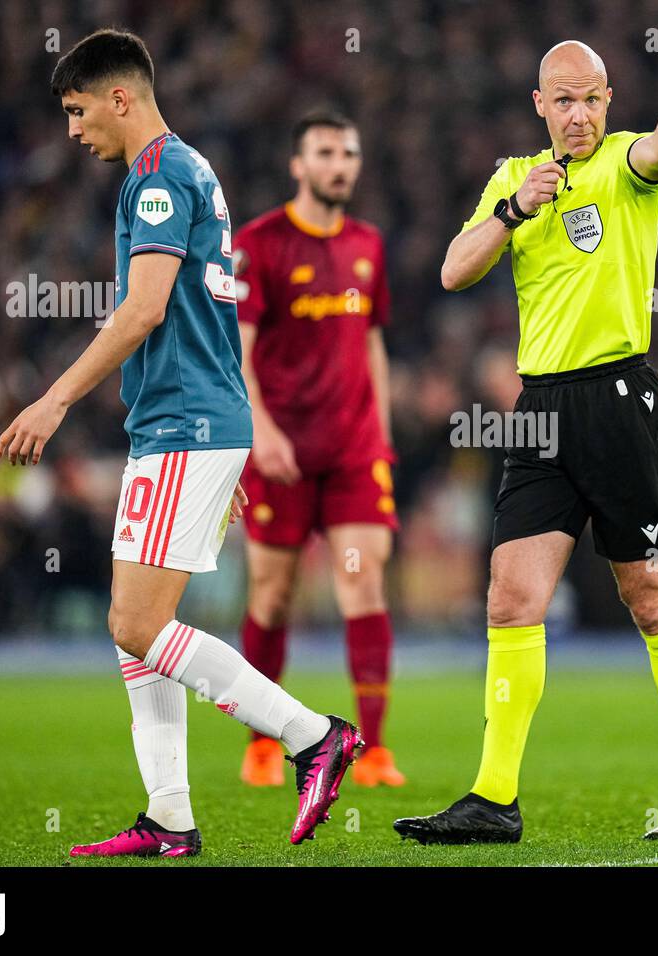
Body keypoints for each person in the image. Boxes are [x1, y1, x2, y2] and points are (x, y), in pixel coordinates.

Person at [0, 29, 362, 856]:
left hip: (182, 426)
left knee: (133, 622)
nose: (72, 129)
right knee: (135, 627)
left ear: (119, 98)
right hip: (193, 425)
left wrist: (53, 401)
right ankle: (168, 816)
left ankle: (311, 736)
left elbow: (146, 308)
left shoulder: (157, 180)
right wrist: (230, 436)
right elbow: (214, 312)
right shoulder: (191, 169)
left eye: (77, 110)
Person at [393, 40, 658, 844]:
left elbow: (657, 148)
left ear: (609, 101)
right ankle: (494, 797)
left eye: (591, 99)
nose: (579, 115)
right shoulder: (514, 179)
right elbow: (451, 270)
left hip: (620, 400)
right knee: (511, 595)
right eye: (564, 101)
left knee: (651, 599)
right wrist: (515, 212)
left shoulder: (624, 165)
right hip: (539, 409)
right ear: (539, 106)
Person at [232, 112, 404, 789]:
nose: (340, 164)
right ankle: (264, 744)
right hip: (281, 452)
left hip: (354, 451)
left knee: (363, 583)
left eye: (350, 152)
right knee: (272, 595)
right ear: (297, 166)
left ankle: (375, 751)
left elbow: (371, 343)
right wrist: (262, 430)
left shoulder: (369, 244)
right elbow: (235, 353)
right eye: (325, 152)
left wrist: (382, 439)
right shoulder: (258, 244)